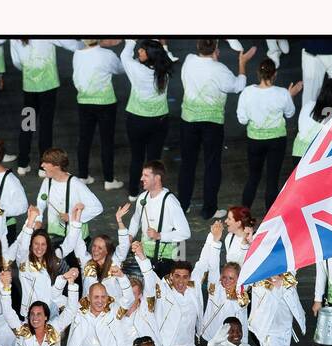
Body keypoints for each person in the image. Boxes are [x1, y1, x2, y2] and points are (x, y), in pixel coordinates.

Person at [178, 40, 253, 220]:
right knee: (212, 165)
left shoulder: (189, 60)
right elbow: (238, 86)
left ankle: (182, 205)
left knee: (187, 164)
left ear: (197, 46)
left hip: (188, 120)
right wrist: (242, 63)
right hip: (212, 124)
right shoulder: (219, 70)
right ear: (216, 49)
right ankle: (208, 209)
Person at [237, 58, 302, 212]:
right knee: (272, 180)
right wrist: (290, 95)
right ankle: (270, 220)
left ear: (258, 74)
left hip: (255, 140)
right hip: (276, 141)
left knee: (253, 177)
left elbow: (242, 119)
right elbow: (290, 113)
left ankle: (243, 216)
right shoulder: (282, 93)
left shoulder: (247, 92)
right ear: (275, 75)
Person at [10, 40, 82, 177]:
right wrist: (89, 46)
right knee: (45, 126)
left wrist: (30, 71)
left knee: (27, 125)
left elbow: (17, 62)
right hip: (48, 88)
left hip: (29, 87)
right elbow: (71, 44)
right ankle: (43, 168)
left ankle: (22, 164)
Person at [121, 39, 175, 199]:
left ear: (150, 56)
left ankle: (133, 191)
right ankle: (151, 191)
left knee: (137, 156)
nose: (139, 51)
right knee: (153, 159)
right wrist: (164, 44)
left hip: (136, 120)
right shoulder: (165, 68)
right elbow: (166, 56)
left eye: (143, 50)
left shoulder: (136, 69)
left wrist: (130, 41)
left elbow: (125, 55)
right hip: (159, 121)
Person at [72, 40, 125, 190]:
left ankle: (83, 176)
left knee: (84, 139)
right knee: (107, 141)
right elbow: (120, 69)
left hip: (84, 101)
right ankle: (109, 179)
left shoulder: (77, 54)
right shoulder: (107, 54)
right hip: (105, 102)